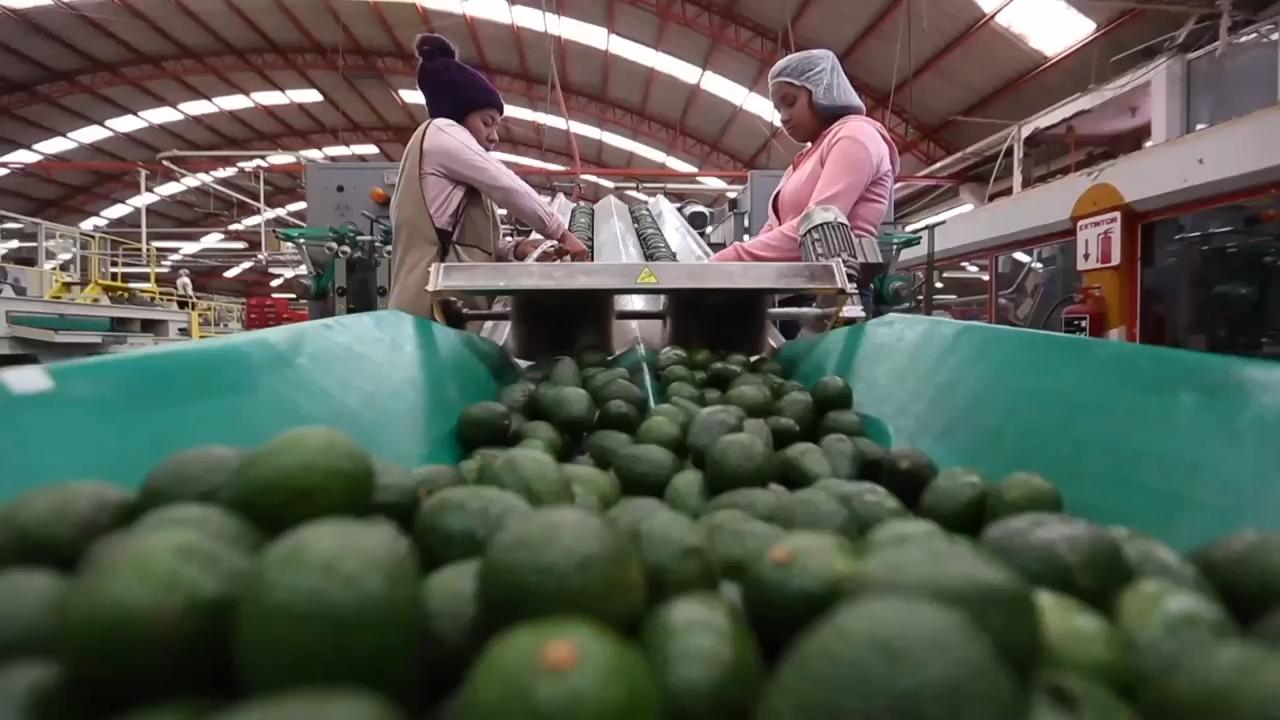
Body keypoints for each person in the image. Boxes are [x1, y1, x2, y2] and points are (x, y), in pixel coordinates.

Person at [388, 33, 589, 322]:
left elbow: (465, 245)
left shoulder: (458, 177)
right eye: (487, 122)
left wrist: (515, 250)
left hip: (455, 310)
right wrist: (562, 233)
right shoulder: (441, 132)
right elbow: (507, 186)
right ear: (458, 114)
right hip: (429, 308)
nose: (494, 136)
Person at [713, 49, 899, 333]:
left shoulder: (855, 137)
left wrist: (728, 259)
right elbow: (774, 229)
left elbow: (816, 228)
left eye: (790, 102)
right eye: (778, 110)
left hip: (833, 297)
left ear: (822, 91)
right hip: (793, 293)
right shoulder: (802, 161)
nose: (783, 118)